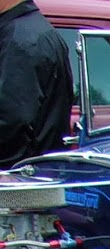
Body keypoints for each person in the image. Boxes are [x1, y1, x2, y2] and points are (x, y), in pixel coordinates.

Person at [0, 0, 71, 168]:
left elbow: (11, 124)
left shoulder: (20, 40)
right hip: (43, 174)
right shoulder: (35, 30)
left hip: (20, 183)